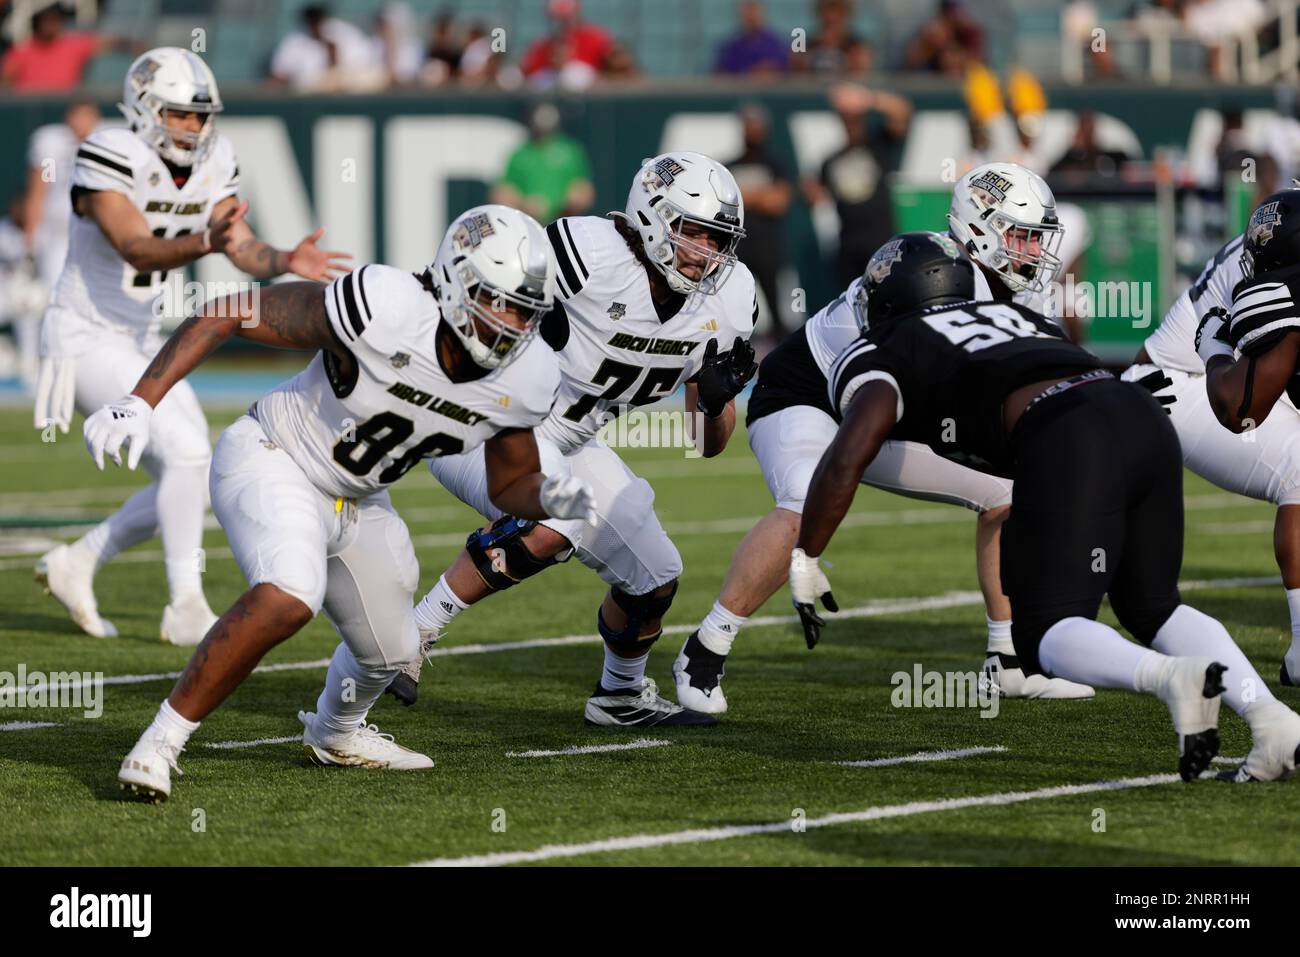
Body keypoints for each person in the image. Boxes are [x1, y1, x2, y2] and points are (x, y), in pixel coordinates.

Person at [87, 205, 597, 802]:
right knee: (289, 594)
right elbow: (229, 311)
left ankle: (337, 733)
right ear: (457, 282)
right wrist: (140, 401)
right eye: (499, 301)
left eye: (526, 309)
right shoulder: (386, 306)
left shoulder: (530, 372)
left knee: (393, 650)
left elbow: (509, 485)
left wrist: (546, 494)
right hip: (274, 454)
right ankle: (160, 741)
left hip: (355, 495)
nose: (512, 323)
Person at [793, 231, 1300, 783]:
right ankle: (1274, 721)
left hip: (1065, 431)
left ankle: (1172, 678)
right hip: (1138, 411)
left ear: (888, 300)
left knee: (1042, 633)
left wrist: (807, 554)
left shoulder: (886, 344)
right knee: (1154, 606)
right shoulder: (1017, 318)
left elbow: (850, 452)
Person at [674, 163, 1088, 714]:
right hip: (807, 396)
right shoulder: (931, 276)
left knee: (1012, 493)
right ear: (981, 228)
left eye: (1038, 239)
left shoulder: (1015, 291)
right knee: (803, 504)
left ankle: (1008, 661)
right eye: (1021, 236)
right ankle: (704, 651)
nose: (1034, 253)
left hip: (888, 408)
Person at [390, 153, 758, 727]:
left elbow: (705, 442)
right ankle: (413, 633)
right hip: (486, 424)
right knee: (559, 514)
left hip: (571, 442)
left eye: (719, 239)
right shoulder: (585, 254)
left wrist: (713, 401)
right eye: (694, 232)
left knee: (654, 573)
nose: (706, 252)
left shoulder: (729, 298)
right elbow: (461, 294)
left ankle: (620, 696)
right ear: (652, 216)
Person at [33, 48, 351, 646]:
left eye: (201, 116)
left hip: (141, 337)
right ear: (146, 109)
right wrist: (205, 240)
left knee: (190, 469)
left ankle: (78, 562)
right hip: (82, 334)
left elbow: (241, 246)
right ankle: (184, 603)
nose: (195, 127)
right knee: (185, 454)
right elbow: (136, 246)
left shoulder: (216, 160)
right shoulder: (110, 151)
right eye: (181, 115)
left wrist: (283, 259)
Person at [806, 83, 910, 290]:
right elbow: (817, 197)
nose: (851, 125)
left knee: (886, 296)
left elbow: (902, 111)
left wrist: (867, 99)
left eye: (855, 119)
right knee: (852, 303)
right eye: (847, 120)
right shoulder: (831, 160)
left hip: (880, 241)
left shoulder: (878, 144)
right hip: (848, 244)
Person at [724, 102, 793, 342]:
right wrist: (760, 195)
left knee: (776, 307)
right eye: (747, 124)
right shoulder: (730, 165)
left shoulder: (775, 163)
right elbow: (724, 202)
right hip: (736, 247)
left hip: (767, 246)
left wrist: (743, 195)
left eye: (756, 124)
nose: (751, 130)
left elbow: (778, 202)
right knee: (730, 305)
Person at [491, 103, 594, 224]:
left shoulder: (571, 151)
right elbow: (501, 191)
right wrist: (524, 204)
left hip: (565, 226)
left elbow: (584, 191)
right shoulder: (519, 153)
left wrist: (559, 205)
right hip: (527, 226)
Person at [1, 3, 139, 92]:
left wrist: (135, 46)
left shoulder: (72, 44)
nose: (51, 25)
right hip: (29, 111)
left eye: (55, 20)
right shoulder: (22, 50)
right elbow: (5, 80)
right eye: (46, 20)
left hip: (65, 109)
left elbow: (108, 43)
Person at [520, 0, 634, 90]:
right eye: (557, 17)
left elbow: (619, 71)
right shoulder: (543, 45)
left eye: (566, 16)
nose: (562, 21)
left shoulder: (598, 39)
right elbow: (528, 76)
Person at [267, 4, 379, 92]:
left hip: (346, 87)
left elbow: (361, 63)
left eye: (318, 19)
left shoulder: (342, 31)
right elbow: (280, 74)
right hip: (310, 92)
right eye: (312, 20)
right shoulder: (295, 40)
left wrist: (332, 54)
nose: (315, 24)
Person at [902, 0, 984, 75]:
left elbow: (979, 62)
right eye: (948, 11)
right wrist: (928, 46)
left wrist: (959, 58)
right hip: (933, 83)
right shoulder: (931, 33)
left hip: (965, 85)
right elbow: (909, 63)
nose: (952, 16)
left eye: (956, 11)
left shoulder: (971, 32)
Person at [796, 0, 872, 76]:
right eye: (828, 10)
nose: (832, 16)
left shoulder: (857, 47)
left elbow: (862, 76)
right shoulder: (806, 46)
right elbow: (797, 77)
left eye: (838, 11)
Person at [715, 1, 789, 76]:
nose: (751, 16)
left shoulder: (777, 45)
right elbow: (720, 74)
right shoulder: (731, 48)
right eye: (747, 10)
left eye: (754, 10)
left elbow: (786, 71)